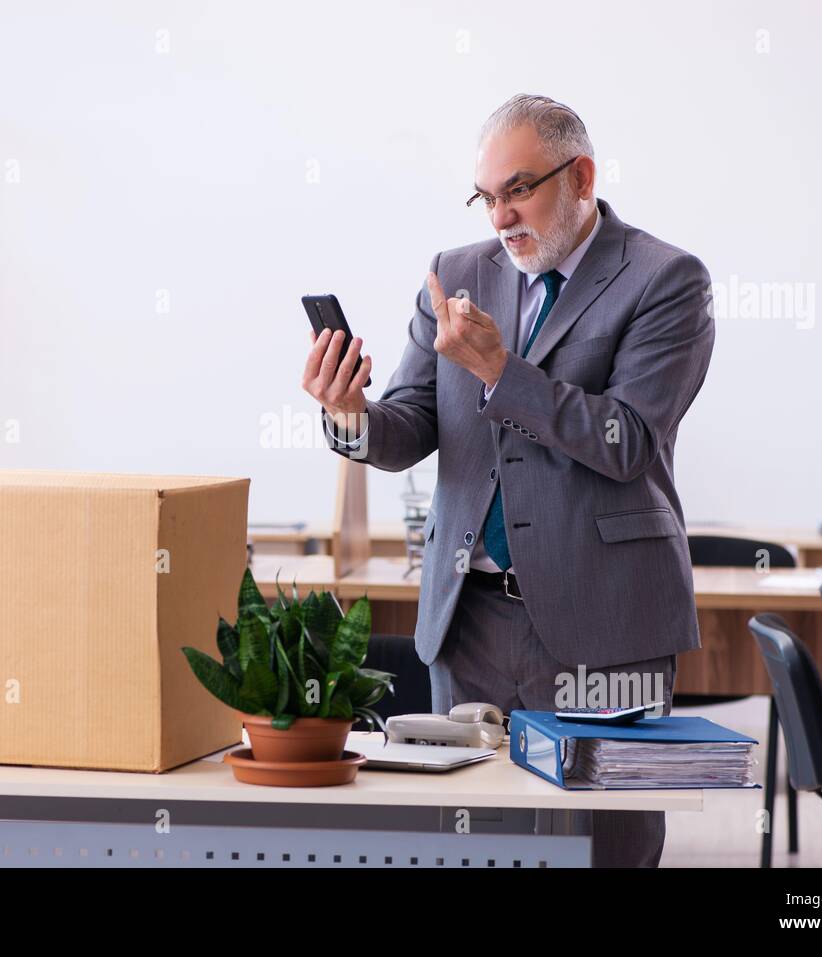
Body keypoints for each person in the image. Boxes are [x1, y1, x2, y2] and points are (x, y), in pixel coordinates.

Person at [301, 94, 714, 867]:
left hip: (606, 627)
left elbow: (626, 442)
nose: (500, 218)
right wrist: (351, 414)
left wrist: (500, 369)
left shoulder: (666, 280)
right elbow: (413, 421)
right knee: (471, 848)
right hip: (470, 625)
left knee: (607, 848)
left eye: (518, 190)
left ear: (581, 175)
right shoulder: (456, 274)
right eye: (487, 197)